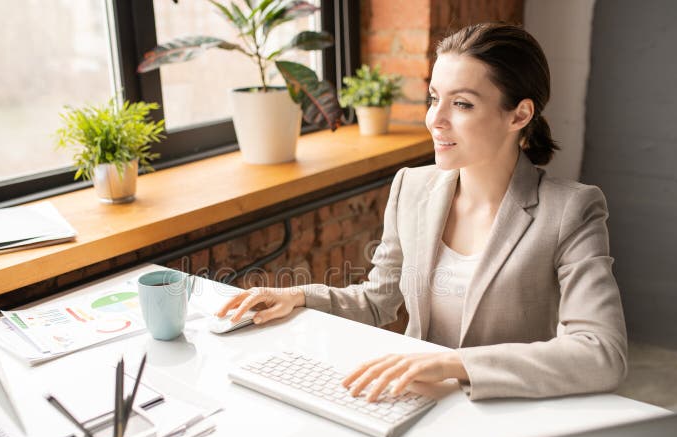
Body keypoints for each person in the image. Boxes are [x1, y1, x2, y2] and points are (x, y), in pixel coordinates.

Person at [216, 23, 627, 402]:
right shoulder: (411, 188)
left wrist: (455, 365)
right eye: (434, 99)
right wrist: (299, 295)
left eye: (462, 104)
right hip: (417, 403)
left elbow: (602, 353)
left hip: (504, 411)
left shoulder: (570, 209)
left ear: (519, 115)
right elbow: (378, 301)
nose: (435, 120)